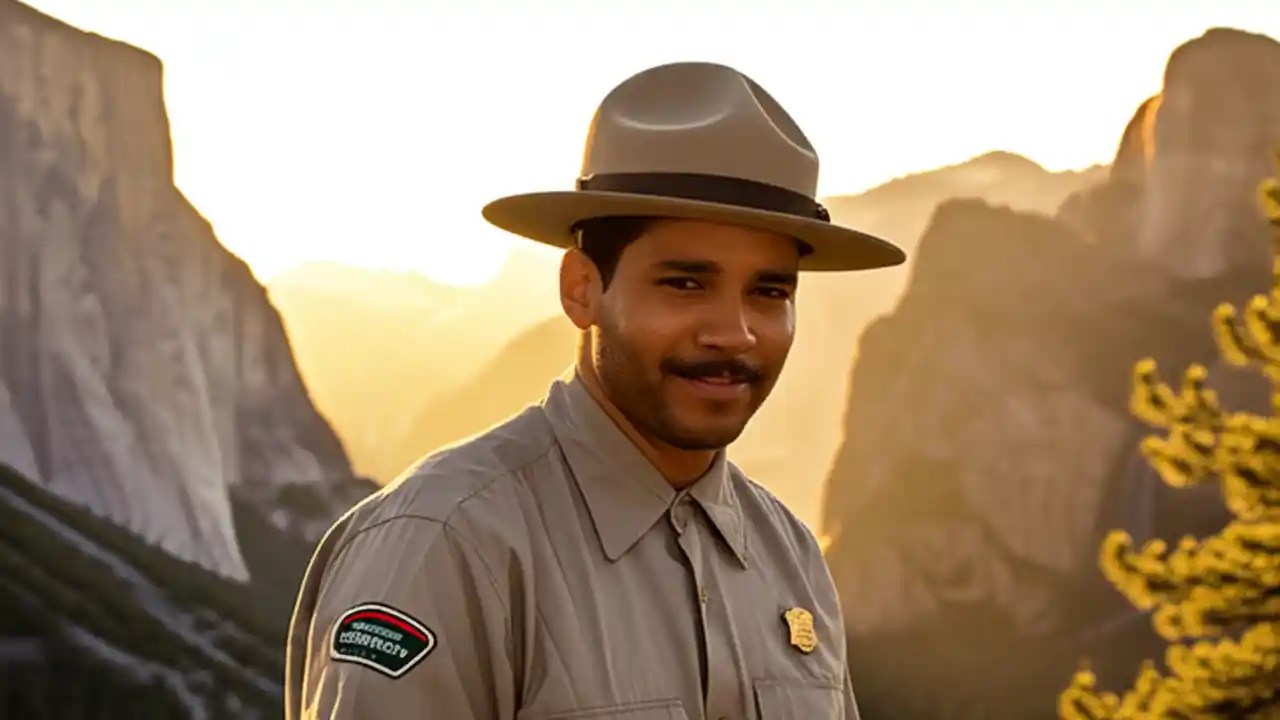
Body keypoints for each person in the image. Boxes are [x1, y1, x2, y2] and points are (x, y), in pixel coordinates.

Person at [284, 60, 905, 720]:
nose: (736, 333)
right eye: (685, 283)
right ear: (582, 289)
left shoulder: (792, 556)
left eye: (770, 292)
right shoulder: (443, 546)